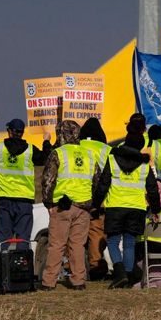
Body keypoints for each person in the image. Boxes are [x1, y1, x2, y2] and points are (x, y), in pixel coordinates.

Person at [40, 119, 105, 291]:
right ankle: (78, 281)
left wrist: (48, 203)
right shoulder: (89, 155)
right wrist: (92, 204)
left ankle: (49, 282)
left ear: (61, 134)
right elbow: (97, 182)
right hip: (83, 207)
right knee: (77, 245)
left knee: (57, 244)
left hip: (62, 206)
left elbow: (48, 180)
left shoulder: (58, 153)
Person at [97, 127, 159, 289]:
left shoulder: (112, 160)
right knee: (130, 243)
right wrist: (156, 209)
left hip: (115, 207)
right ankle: (128, 276)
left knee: (113, 241)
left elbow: (103, 184)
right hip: (137, 208)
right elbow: (152, 189)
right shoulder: (145, 165)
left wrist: (95, 204)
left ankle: (119, 274)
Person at [0, 116, 49, 246]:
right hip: (24, 200)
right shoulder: (30, 150)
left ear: (9, 131)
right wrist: (46, 141)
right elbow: (46, 158)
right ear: (22, 133)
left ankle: (3, 264)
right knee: (23, 239)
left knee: (3, 239)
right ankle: (22, 264)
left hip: (5, 200)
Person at [78, 117, 112, 280]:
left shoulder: (77, 147)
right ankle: (97, 266)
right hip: (102, 200)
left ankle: (73, 267)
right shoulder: (107, 150)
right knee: (97, 233)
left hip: (77, 198)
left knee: (76, 235)